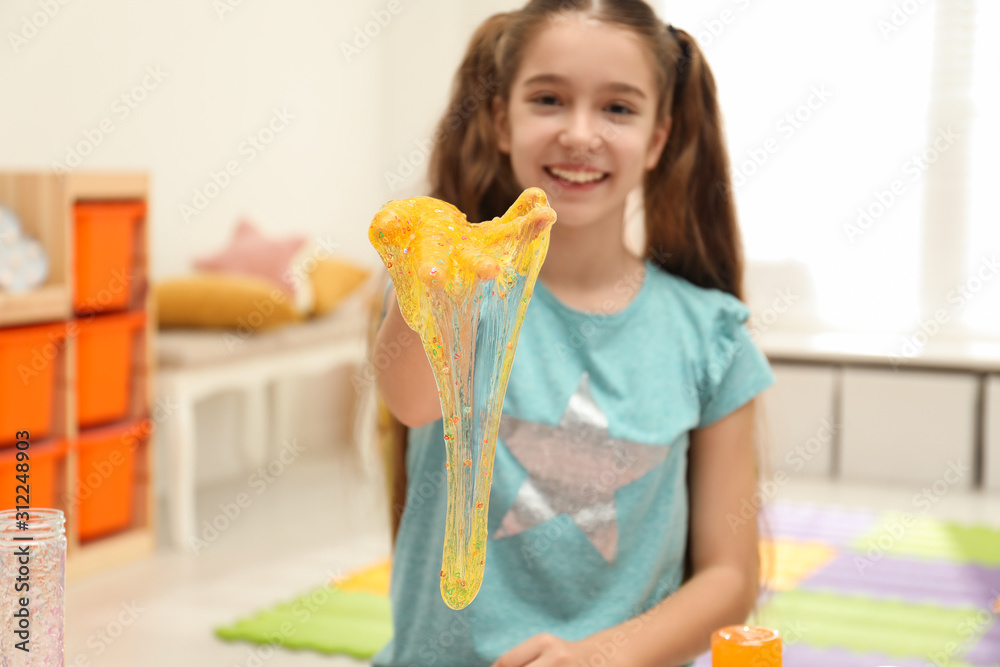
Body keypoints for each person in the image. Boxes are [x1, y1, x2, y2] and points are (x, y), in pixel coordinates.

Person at [370, 1, 775, 665]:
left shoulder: (712, 339)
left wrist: (600, 655)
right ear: (501, 121)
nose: (580, 134)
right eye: (549, 99)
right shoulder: (453, 288)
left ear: (658, 139)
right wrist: (426, 271)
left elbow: (730, 576)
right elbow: (410, 400)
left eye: (617, 108)